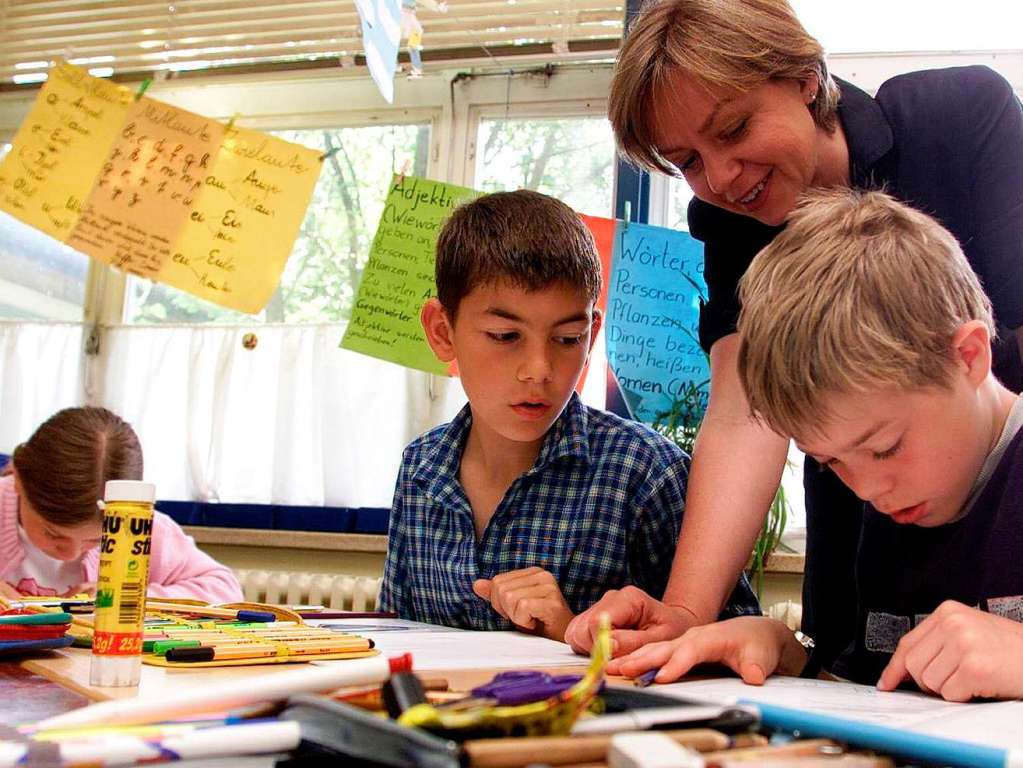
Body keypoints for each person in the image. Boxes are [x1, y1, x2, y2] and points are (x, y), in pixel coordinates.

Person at [565, 0, 1023, 664]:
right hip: (881, 537)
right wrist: (685, 616)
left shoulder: (954, 114)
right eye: (686, 161)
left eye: (735, 128)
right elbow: (740, 415)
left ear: (803, 77)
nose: (719, 178)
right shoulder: (728, 224)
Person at [612, 189, 1023, 702]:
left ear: (968, 356)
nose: (870, 490)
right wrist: (791, 656)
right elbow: (884, 703)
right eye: (830, 461)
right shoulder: (899, 505)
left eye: (886, 447)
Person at [378, 189, 759, 641]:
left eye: (567, 339)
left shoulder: (644, 473)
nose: (539, 371)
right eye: (504, 336)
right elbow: (393, 634)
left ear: (592, 332)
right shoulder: (421, 469)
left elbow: (731, 644)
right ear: (443, 332)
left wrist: (570, 630)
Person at [0, 406, 243, 603]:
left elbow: (225, 590)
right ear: (18, 480)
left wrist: (132, 598)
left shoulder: (137, 526)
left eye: (96, 540)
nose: (71, 553)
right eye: (53, 533)